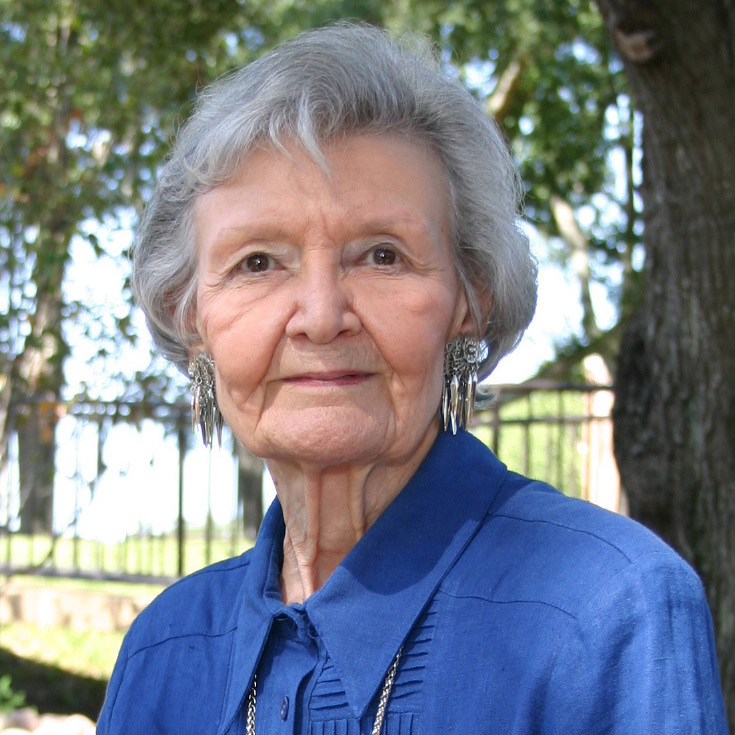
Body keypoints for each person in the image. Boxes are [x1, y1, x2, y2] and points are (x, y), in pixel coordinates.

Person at [97, 22, 728, 735]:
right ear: (192, 321)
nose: (320, 317)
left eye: (382, 255)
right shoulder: (164, 651)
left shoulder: (606, 610)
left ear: (469, 302)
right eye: (257, 263)